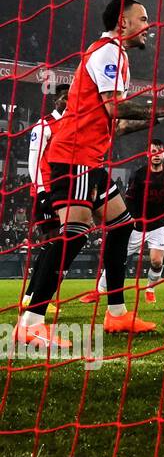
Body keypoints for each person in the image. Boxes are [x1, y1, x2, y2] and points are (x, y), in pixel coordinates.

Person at [16, 0, 164, 348]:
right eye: (143, 18)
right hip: (75, 155)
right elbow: (115, 107)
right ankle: (31, 322)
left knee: (122, 225)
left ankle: (115, 313)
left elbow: (116, 122)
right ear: (123, 23)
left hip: (91, 159)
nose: (149, 24)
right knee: (75, 234)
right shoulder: (109, 51)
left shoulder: (115, 54)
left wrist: (160, 116)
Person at [91, 139, 164, 303]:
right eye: (153, 151)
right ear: (148, 154)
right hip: (136, 226)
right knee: (118, 259)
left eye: (159, 151)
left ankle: (150, 289)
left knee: (157, 261)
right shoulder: (139, 174)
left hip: (157, 225)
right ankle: (99, 290)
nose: (156, 155)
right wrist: (132, 217)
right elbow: (129, 198)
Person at [21, 83, 68, 308]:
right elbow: (33, 162)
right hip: (47, 192)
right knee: (52, 244)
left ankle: (35, 295)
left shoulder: (72, 124)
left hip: (64, 192)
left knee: (56, 245)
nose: (67, 101)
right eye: (63, 97)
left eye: (71, 97)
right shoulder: (44, 125)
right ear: (55, 100)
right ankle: (33, 296)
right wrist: (40, 192)